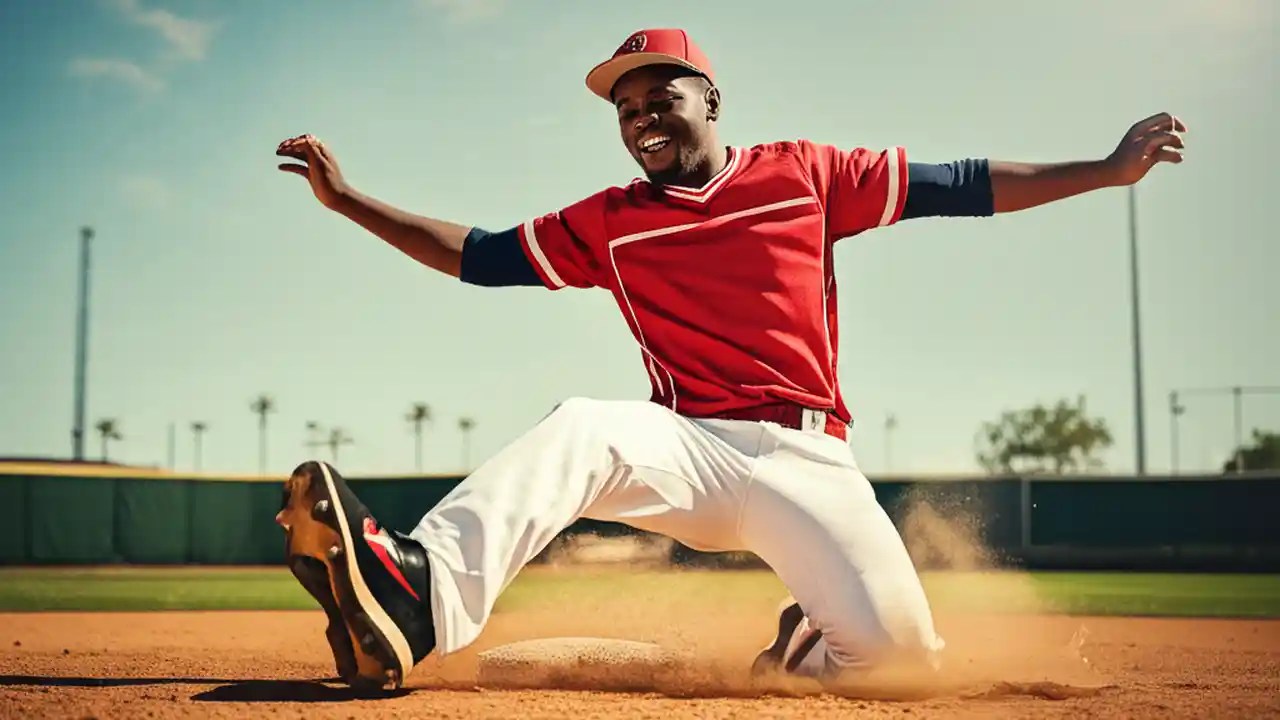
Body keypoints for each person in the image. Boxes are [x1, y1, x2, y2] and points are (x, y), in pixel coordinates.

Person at [273, 28, 1186, 691]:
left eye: (658, 97)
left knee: (901, 664)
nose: (640, 118)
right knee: (586, 426)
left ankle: (805, 647)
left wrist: (1102, 170)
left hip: (809, 459)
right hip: (691, 450)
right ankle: (419, 595)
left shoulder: (805, 173)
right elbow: (477, 254)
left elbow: (963, 187)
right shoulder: (610, 220)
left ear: (711, 100)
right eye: (625, 109)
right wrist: (349, 200)